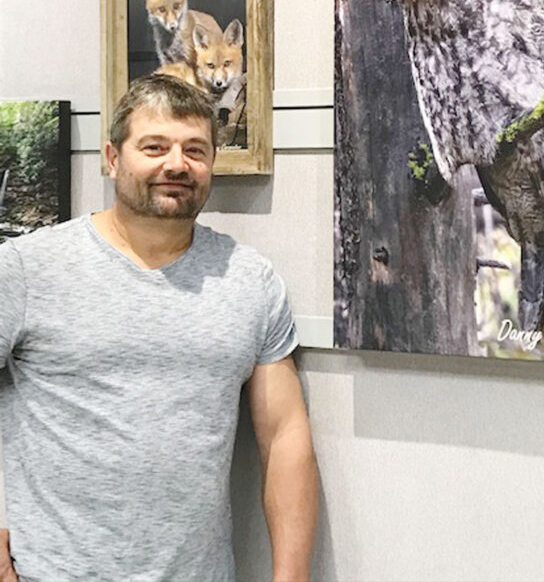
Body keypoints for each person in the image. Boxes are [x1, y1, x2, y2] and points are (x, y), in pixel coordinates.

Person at [0, 75, 318, 582]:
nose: (177, 164)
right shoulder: (25, 270)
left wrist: (293, 576)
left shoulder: (249, 281)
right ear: (112, 158)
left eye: (195, 149)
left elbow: (284, 438)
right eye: (154, 147)